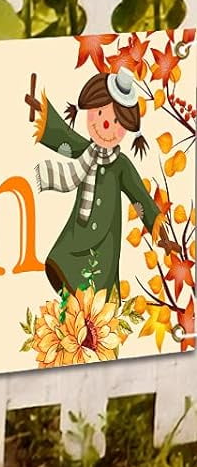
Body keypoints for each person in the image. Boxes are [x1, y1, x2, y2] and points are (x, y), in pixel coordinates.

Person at [26, 66, 161, 299]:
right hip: (80, 229)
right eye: (99, 113)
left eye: (117, 121)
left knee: (99, 285)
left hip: (105, 238)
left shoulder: (121, 165)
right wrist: (41, 112)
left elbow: (139, 196)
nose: (106, 124)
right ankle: (72, 313)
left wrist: (159, 229)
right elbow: (64, 137)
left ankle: (90, 320)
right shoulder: (86, 151)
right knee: (63, 264)